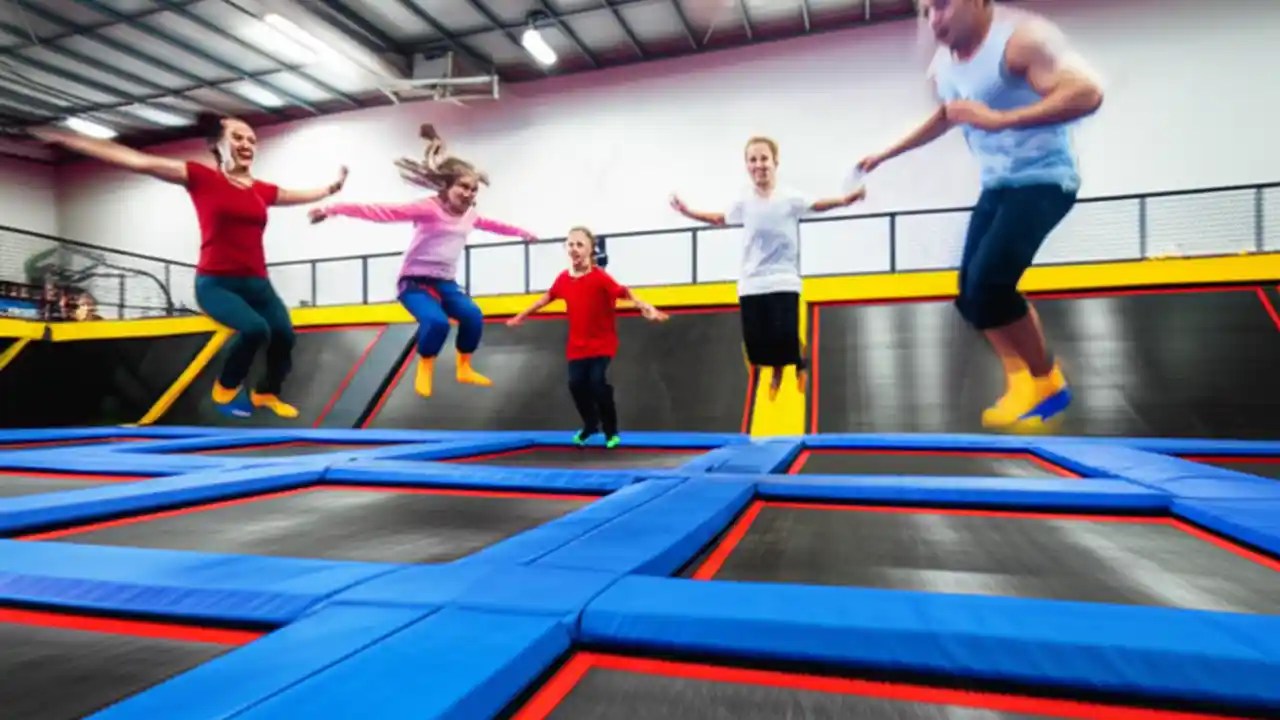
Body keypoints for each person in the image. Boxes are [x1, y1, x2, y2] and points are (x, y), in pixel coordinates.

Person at [858, 0, 1103, 432]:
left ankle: (1047, 381)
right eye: (926, 12)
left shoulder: (1021, 42)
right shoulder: (944, 67)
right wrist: (885, 153)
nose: (935, 20)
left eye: (942, 7)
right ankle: (1022, 382)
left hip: (1045, 181)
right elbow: (947, 117)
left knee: (991, 285)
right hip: (998, 186)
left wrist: (1001, 119)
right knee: (970, 298)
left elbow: (1087, 93)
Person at [31, 113, 349, 419]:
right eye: (237, 137)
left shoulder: (260, 191)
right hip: (217, 283)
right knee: (254, 329)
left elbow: (296, 195)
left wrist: (332, 188)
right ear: (217, 144)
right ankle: (225, 390)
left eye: (252, 140)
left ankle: (266, 393)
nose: (247, 144)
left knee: (284, 335)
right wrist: (65, 137)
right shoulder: (200, 177)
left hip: (257, 284)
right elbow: (135, 160)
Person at [309, 140, 536, 398]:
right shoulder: (428, 208)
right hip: (414, 284)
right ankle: (425, 368)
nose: (469, 193)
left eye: (473, 190)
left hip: (446, 284)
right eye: (463, 186)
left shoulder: (470, 215)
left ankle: (464, 368)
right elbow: (382, 212)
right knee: (436, 322)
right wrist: (332, 209)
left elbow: (492, 224)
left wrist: (521, 232)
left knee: (473, 316)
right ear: (447, 186)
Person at [669, 136, 866, 400]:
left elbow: (817, 205)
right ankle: (774, 370)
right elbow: (718, 218)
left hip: (783, 278)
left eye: (764, 159)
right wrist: (688, 212)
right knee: (757, 345)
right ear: (747, 166)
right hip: (752, 280)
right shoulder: (743, 201)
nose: (759, 165)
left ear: (775, 162)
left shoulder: (789, 197)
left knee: (783, 335)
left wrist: (845, 200)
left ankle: (795, 364)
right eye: (753, 160)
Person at [507, 227, 668, 448]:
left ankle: (611, 431)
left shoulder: (600, 277)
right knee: (575, 385)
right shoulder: (563, 279)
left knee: (597, 383)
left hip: (602, 343)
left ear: (591, 250)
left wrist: (646, 307)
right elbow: (545, 299)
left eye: (580, 244)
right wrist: (520, 316)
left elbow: (625, 293)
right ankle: (590, 424)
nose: (574, 249)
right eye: (570, 244)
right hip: (577, 345)